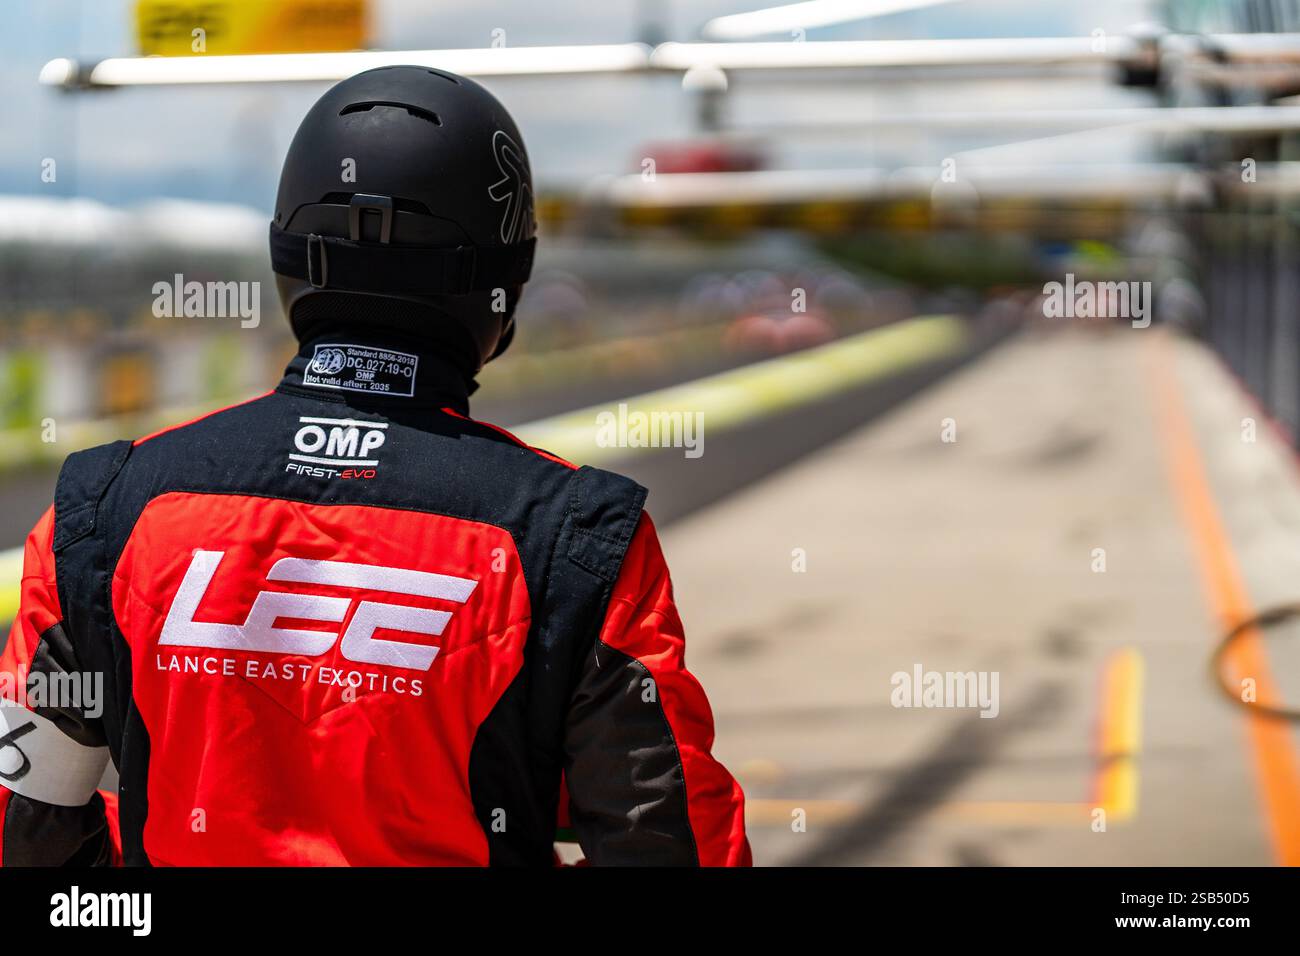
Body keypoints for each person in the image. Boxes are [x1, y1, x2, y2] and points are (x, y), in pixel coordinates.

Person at [0, 67, 751, 866]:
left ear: (290, 258)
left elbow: (23, 815)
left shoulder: (105, 511)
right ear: (501, 285)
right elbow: (671, 842)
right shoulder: (574, 537)